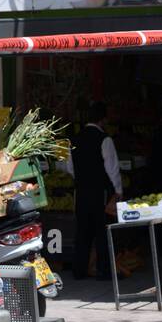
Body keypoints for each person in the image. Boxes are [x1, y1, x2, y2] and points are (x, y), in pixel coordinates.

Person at [65, 101, 123, 281]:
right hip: (100, 193)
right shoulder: (105, 139)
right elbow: (112, 169)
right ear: (103, 119)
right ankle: (103, 271)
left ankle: (79, 270)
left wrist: (82, 179)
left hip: (81, 192)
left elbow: (69, 168)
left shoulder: (73, 141)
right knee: (102, 232)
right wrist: (118, 191)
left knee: (82, 231)